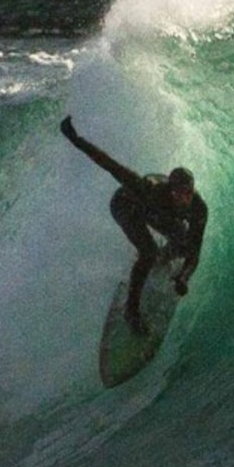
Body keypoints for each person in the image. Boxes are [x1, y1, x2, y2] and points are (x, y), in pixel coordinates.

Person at [60, 117, 205, 324]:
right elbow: (110, 165)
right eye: (180, 193)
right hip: (125, 205)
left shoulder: (199, 208)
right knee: (149, 252)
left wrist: (184, 277)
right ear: (171, 191)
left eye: (188, 192)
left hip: (155, 212)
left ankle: (160, 262)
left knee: (182, 239)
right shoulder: (150, 189)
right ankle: (131, 311)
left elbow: (194, 252)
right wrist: (76, 140)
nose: (185, 197)